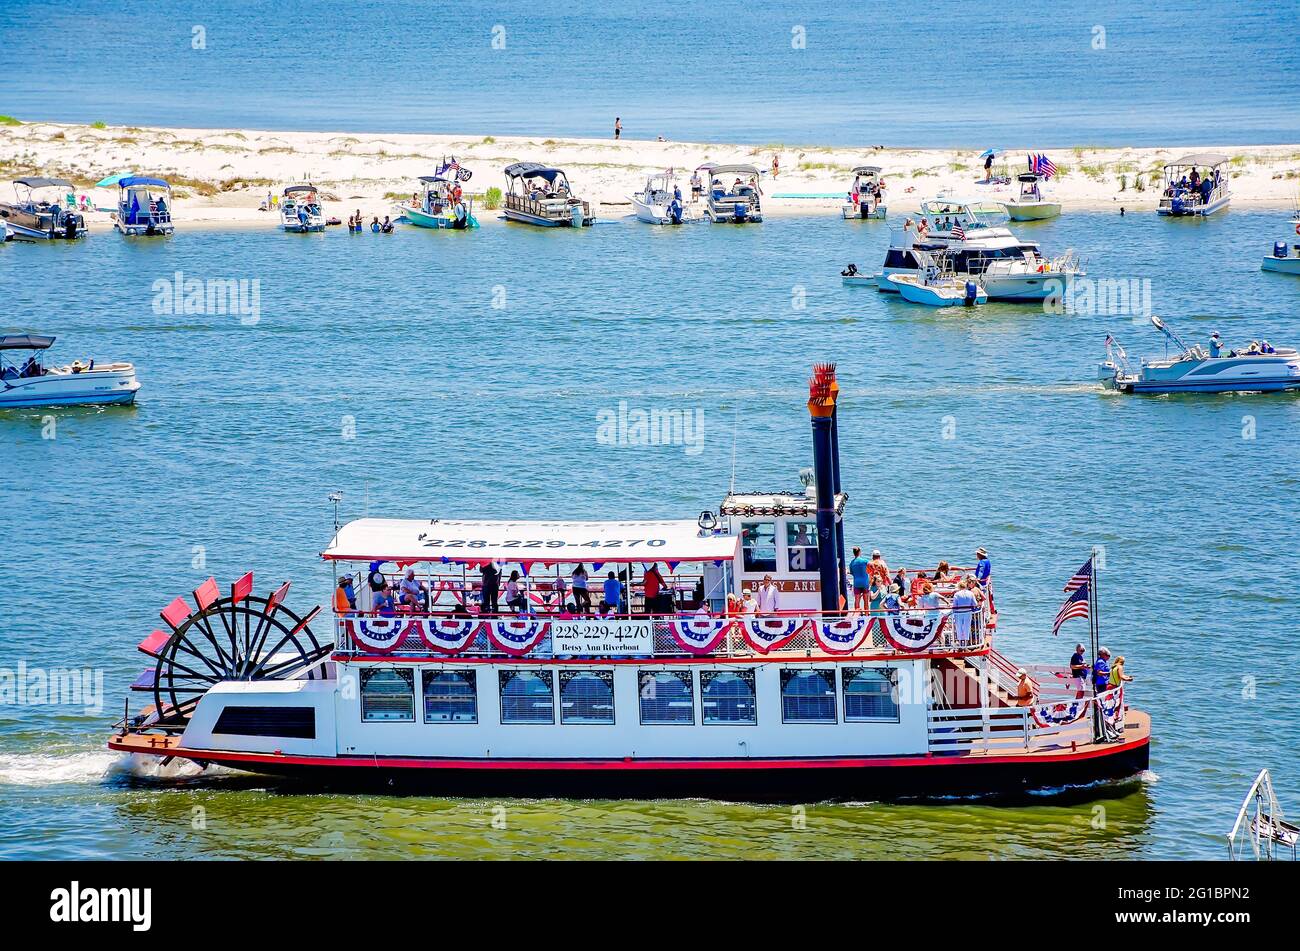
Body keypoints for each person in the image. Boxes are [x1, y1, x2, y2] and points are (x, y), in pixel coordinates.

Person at [848, 546, 872, 611]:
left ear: (853, 553)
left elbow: (852, 573)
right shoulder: (864, 561)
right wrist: (869, 572)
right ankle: (866, 615)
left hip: (856, 583)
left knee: (857, 600)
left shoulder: (851, 563)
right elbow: (872, 566)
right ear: (859, 552)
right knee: (866, 600)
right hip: (865, 583)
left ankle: (857, 617)